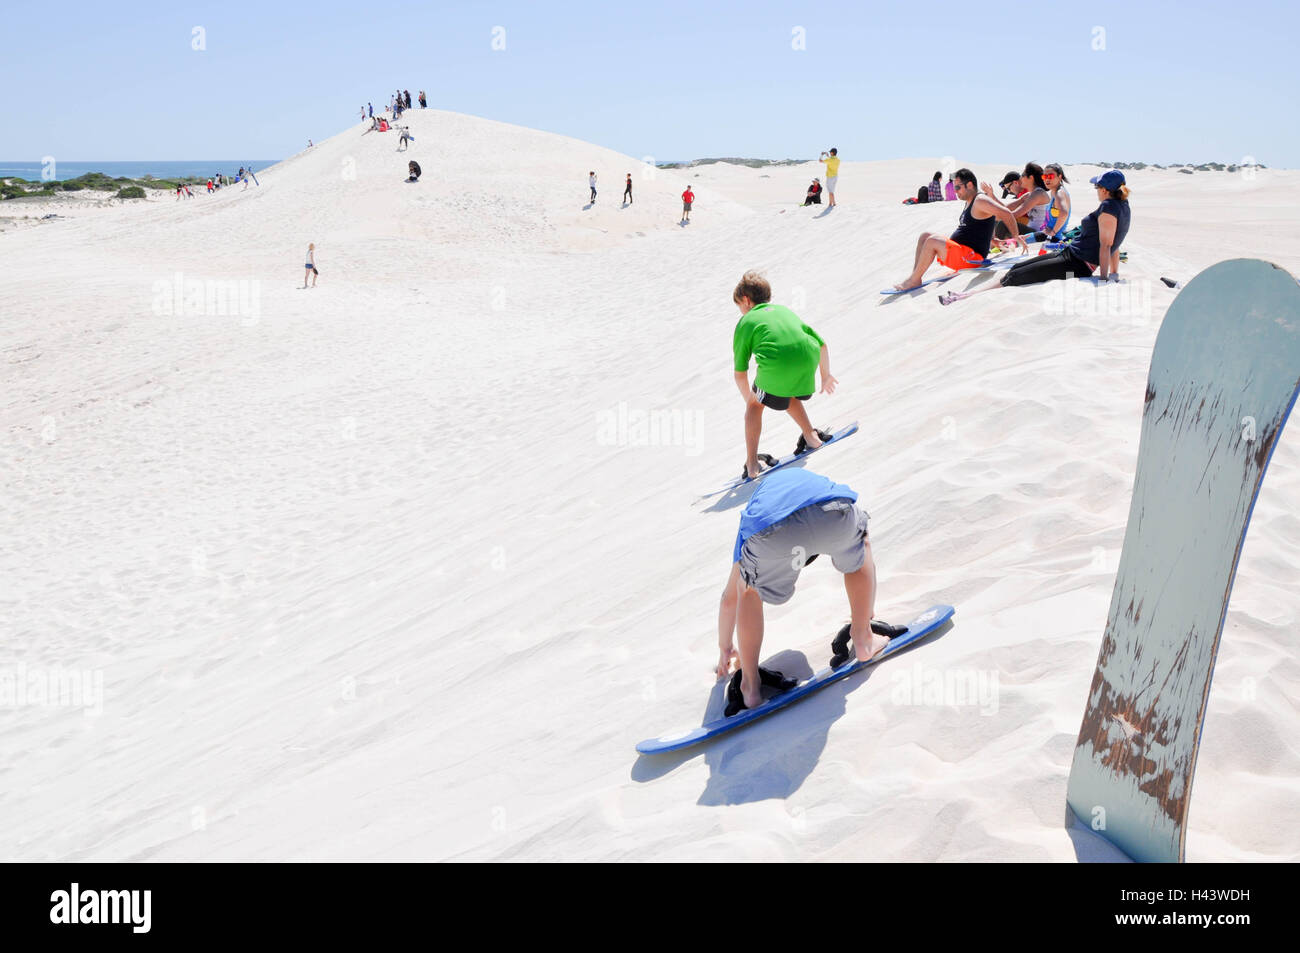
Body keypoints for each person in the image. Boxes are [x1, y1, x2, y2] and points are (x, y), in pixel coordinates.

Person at [716, 467, 893, 714]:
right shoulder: (810, 480)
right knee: (860, 538)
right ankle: (863, 638)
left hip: (772, 533)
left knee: (749, 589)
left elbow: (729, 600)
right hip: (830, 512)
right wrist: (867, 608)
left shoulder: (758, 509)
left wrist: (725, 647)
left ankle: (750, 685)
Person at [939, 170, 1132, 305]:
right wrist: (1114, 273)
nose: (1096, 190)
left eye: (1097, 187)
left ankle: (965, 296)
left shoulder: (1108, 208)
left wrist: (1106, 278)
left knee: (1018, 275)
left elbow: (1107, 245)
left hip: (1077, 265)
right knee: (1017, 268)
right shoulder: (1123, 207)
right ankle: (966, 294)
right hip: (1070, 255)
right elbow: (1115, 243)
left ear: (1105, 190)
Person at [731, 271, 836, 480]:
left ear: (746, 300)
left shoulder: (746, 322)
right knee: (786, 391)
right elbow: (822, 344)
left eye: (739, 306)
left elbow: (740, 373)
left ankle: (752, 465)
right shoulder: (784, 311)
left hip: (780, 366)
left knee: (754, 406)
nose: (741, 311)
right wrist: (825, 376)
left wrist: (751, 400)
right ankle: (811, 436)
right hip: (808, 363)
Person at [892, 168, 1024, 291]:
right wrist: (994, 241)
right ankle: (915, 277)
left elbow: (1006, 213)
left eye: (958, 187)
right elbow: (980, 226)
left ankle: (914, 280)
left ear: (970, 185)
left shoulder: (980, 200)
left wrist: (1016, 237)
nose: (955, 191)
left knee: (932, 241)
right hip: (962, 252)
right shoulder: (970, 201)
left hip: (971, 258)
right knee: (924, 236)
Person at [994, 163, 1050, 239]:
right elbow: (1008, 208)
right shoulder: (1030, 194)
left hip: (1038, 234)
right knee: (999, 221)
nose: (1020, 178)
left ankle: (996, 248)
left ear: (1031, 178)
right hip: (1031, 230)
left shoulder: (1038, 193)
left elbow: (1015, 214)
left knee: (1002, 223)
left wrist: (997, 217)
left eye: (1023, 175)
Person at [1033, 163, 1072, 241]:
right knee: (1020, 238)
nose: (1047, 179)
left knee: (1015, 241)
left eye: (1050, 176)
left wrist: (1053, 231)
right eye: (1044, 176)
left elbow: (1064, 213)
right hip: (1047, 235)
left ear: (1059, 177)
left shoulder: (1059, 193)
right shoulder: (1054, 192)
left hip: (1054, 238)